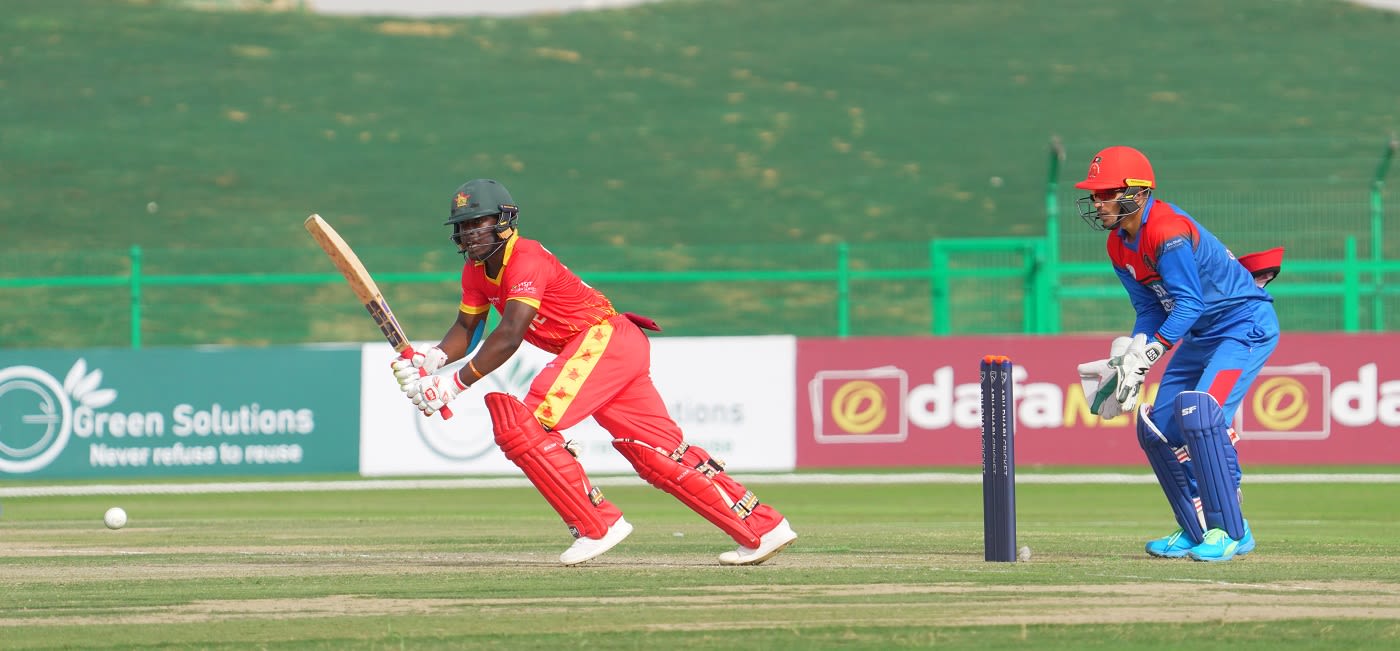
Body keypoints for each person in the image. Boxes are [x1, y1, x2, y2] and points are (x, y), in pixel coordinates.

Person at [390, 178, 797, 566]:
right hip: (612, 347)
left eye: (478, 222)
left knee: (524, 427)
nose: (469, 233)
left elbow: (511, 333)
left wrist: (454, 385)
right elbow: (467, 327)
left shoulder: (525, 257)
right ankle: (762, 527)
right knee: (657, 454)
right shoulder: (475, 271)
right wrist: (434, 358)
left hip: (601, 339)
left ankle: (598, 524)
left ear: (504, 220)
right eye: (463, 226)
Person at [1071, 146, 1281, 562]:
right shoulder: (1118, 245)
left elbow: (1189, 303)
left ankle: (1232, 529)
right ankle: (1195, 528)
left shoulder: (1167, 231)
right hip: (1200, 335)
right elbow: (1150, 309)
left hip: (1244, 327)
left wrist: (1150, 355)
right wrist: (1131, 357)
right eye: (1095, 194)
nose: (1098, 202)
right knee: (1158, 427)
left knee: (1201, 414)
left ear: (1138, 192)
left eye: (1107, 193)